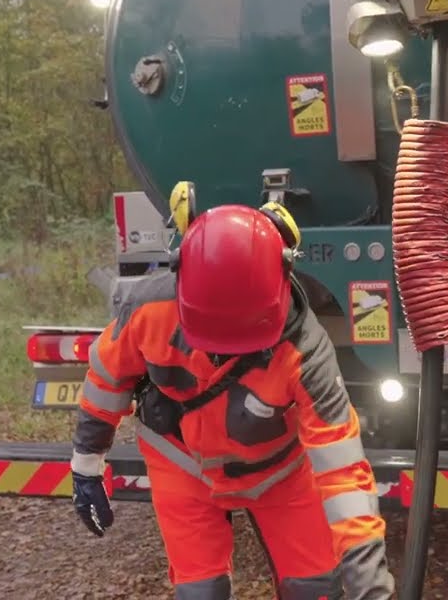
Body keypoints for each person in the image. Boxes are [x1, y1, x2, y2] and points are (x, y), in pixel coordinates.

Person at [68, 202, 396, 600]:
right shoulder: (148, 312)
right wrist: (86, 465)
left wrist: (369, 580)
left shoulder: (306, 352)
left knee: (316, 588)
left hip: (280, 473)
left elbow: (342, 467)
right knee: (199, 591)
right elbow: (107, 379)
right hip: (181, 464)